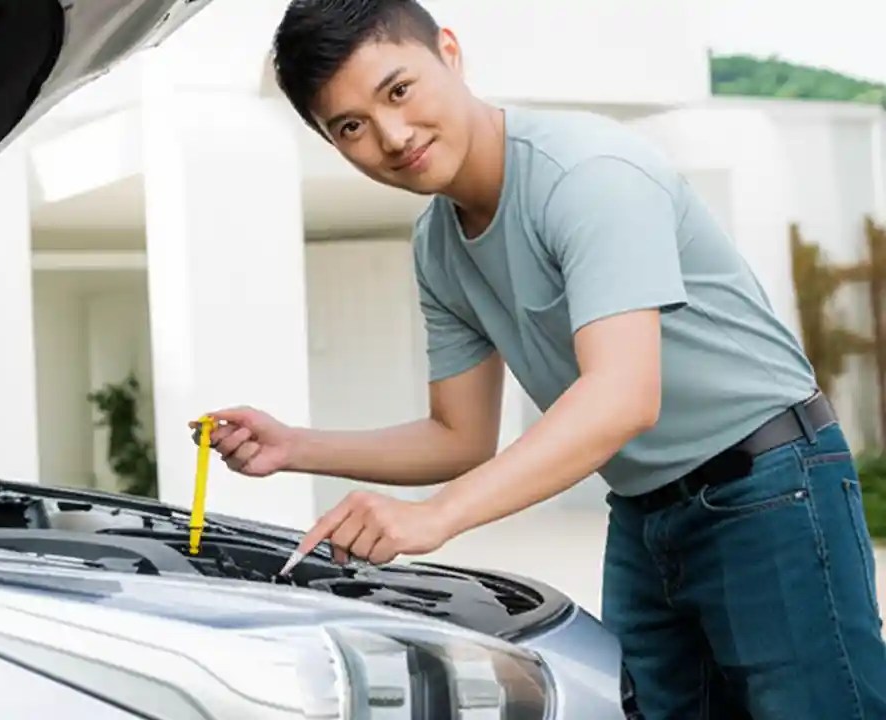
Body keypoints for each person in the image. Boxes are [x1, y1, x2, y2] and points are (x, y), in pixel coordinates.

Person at [188, 0, 886, 717]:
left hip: (768, 486)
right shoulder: (438, 247)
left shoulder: (586, 172)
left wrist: (435, 518)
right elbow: (458, 435)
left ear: (450, 53)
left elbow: (622, 396)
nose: (393, 136)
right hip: (648, 514)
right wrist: (294, 445)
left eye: (399, 90)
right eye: (351, 127)